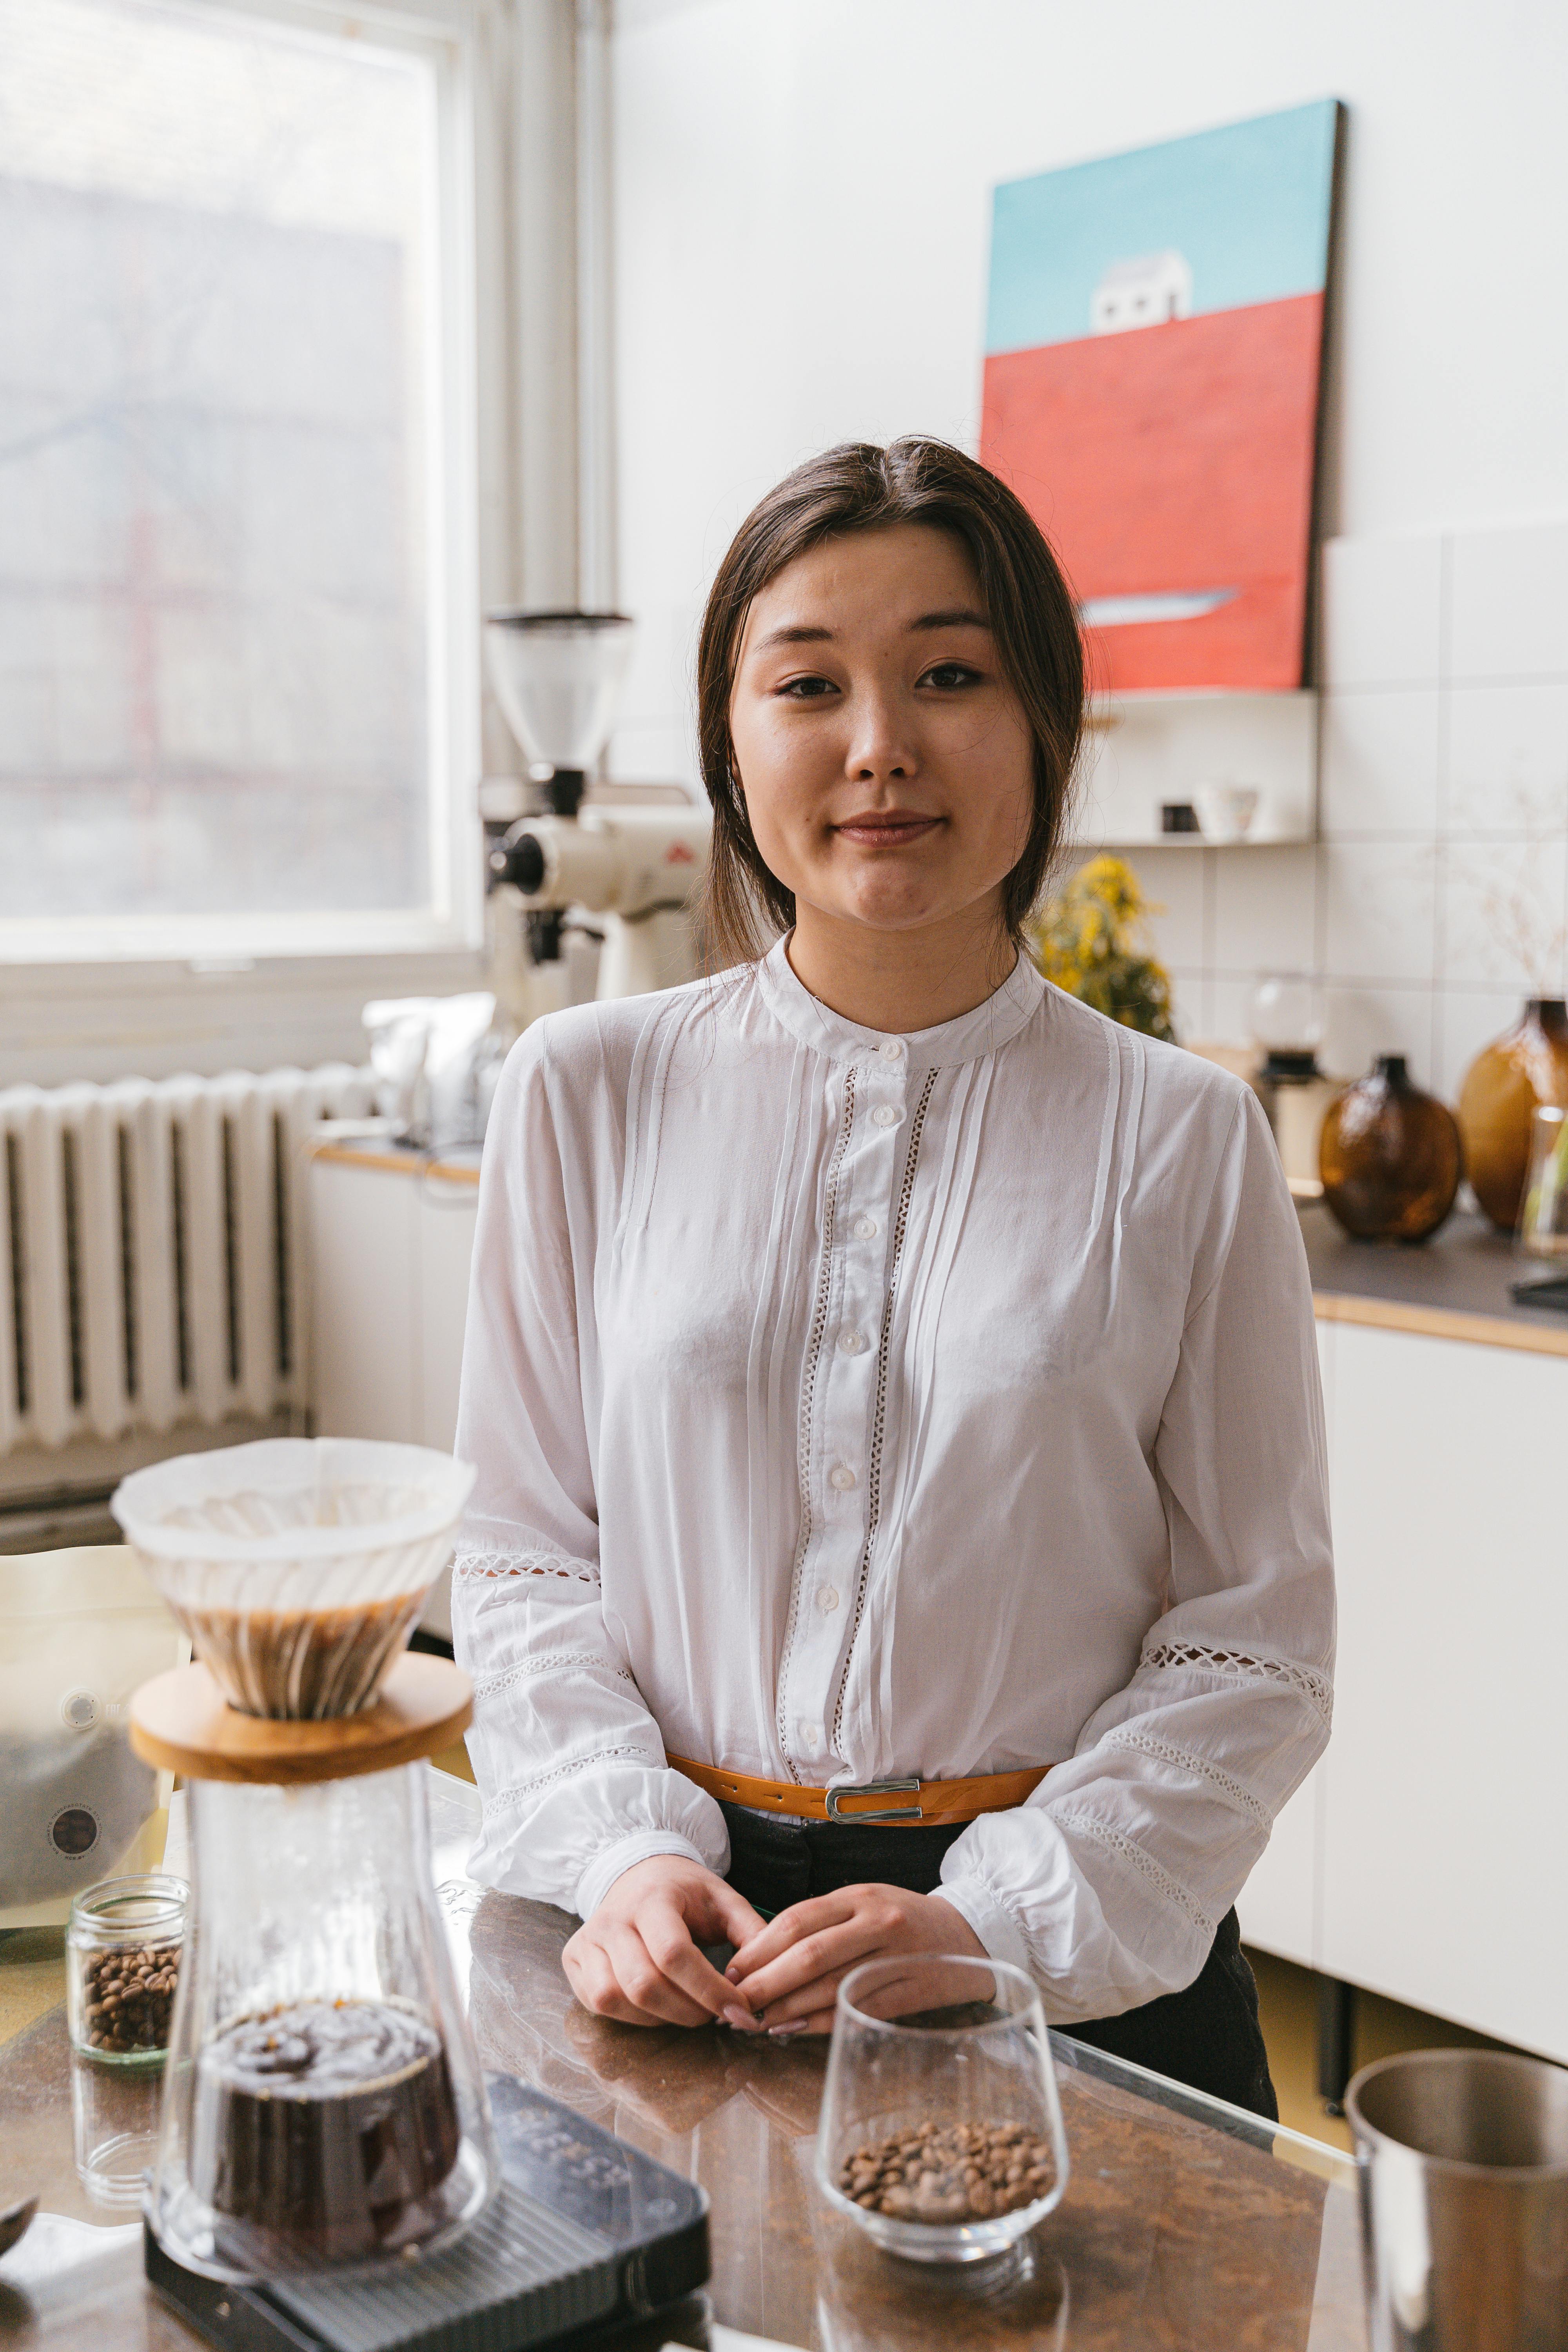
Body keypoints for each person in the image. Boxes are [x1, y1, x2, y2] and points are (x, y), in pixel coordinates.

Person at [451, 437, 1334, 2118]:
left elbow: (1254, 1641)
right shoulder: (584, 1090)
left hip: (1067, 1977)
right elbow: (519, 1556)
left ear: (1044, 723)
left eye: (949, 674)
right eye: (807, 685)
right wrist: (624, 1853)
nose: (879, 749)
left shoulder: (1185, 1134)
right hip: (667, 1947)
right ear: (729, 738)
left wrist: (993, 1920)